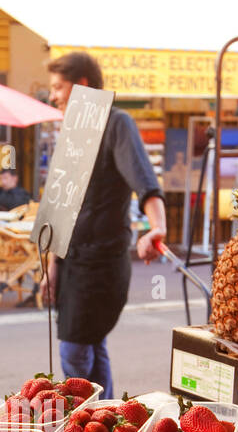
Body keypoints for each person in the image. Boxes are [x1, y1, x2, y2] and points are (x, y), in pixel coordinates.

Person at [46, 52, 167, 399]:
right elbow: (60, 206)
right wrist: (53, 265)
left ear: (82, 84)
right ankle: (109, 423)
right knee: (92, 347)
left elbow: (146, 183)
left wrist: (157, 226)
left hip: (100, 266)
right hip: (71, 263)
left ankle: (85, 426)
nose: (53, 96)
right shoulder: (73, 133)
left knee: (73, 352)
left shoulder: (117, 123)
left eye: (58, 87)